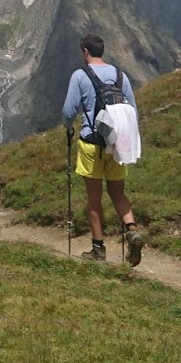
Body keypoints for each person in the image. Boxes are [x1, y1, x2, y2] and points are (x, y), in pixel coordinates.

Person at [61, 35, 143, 264]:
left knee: (94, 198)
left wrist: (69, 127)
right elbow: (133, 110)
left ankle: (98, 249)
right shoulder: (120, 76)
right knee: (118, 193)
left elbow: (68, 111)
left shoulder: (80, 75)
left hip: (91, 143)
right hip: (117, 145)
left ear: (85, 52)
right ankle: (132, 230)